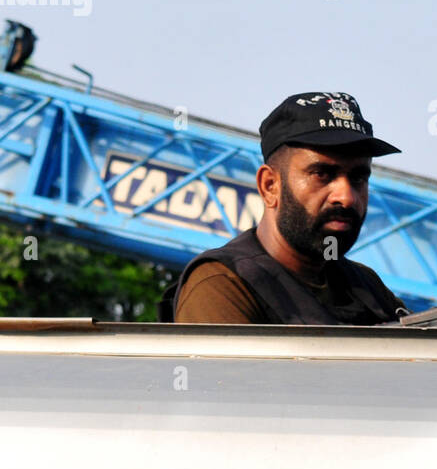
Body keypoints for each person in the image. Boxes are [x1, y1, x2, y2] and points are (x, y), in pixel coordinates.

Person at [161, 92, 407, 325]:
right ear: (270, 186)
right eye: (322, 174)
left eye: (358, 178)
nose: (346, 197)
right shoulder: (223, 284)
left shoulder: (367, 287)